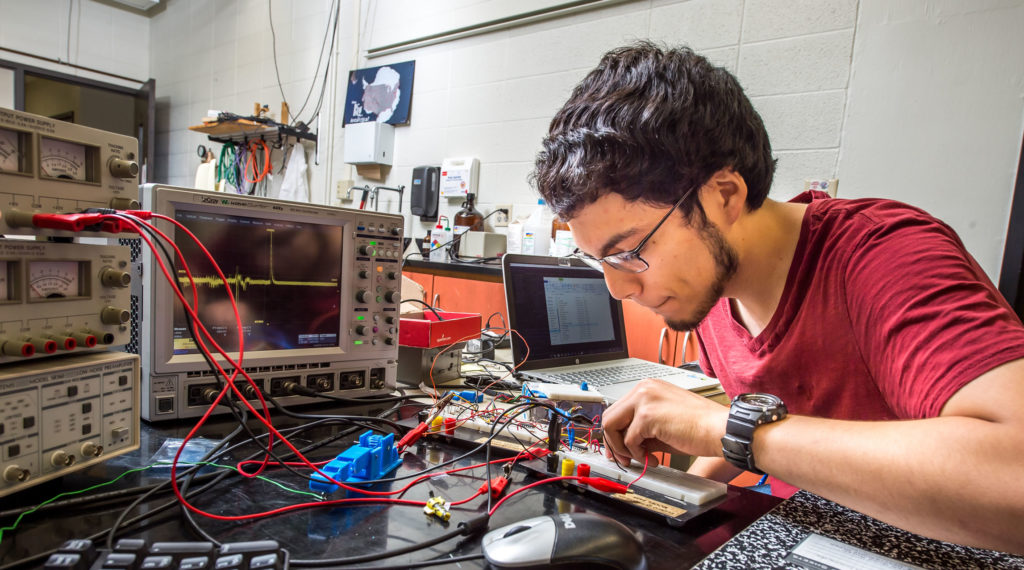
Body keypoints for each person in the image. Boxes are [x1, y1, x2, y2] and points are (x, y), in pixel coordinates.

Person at [531, 41, 1024, 554]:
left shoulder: (887, 255)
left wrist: (729, 428)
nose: (621, 289)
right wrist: (670, 502)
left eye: (630, 251)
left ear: (724, 195)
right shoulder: (708, 285)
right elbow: (752, 432)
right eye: (601, 261)